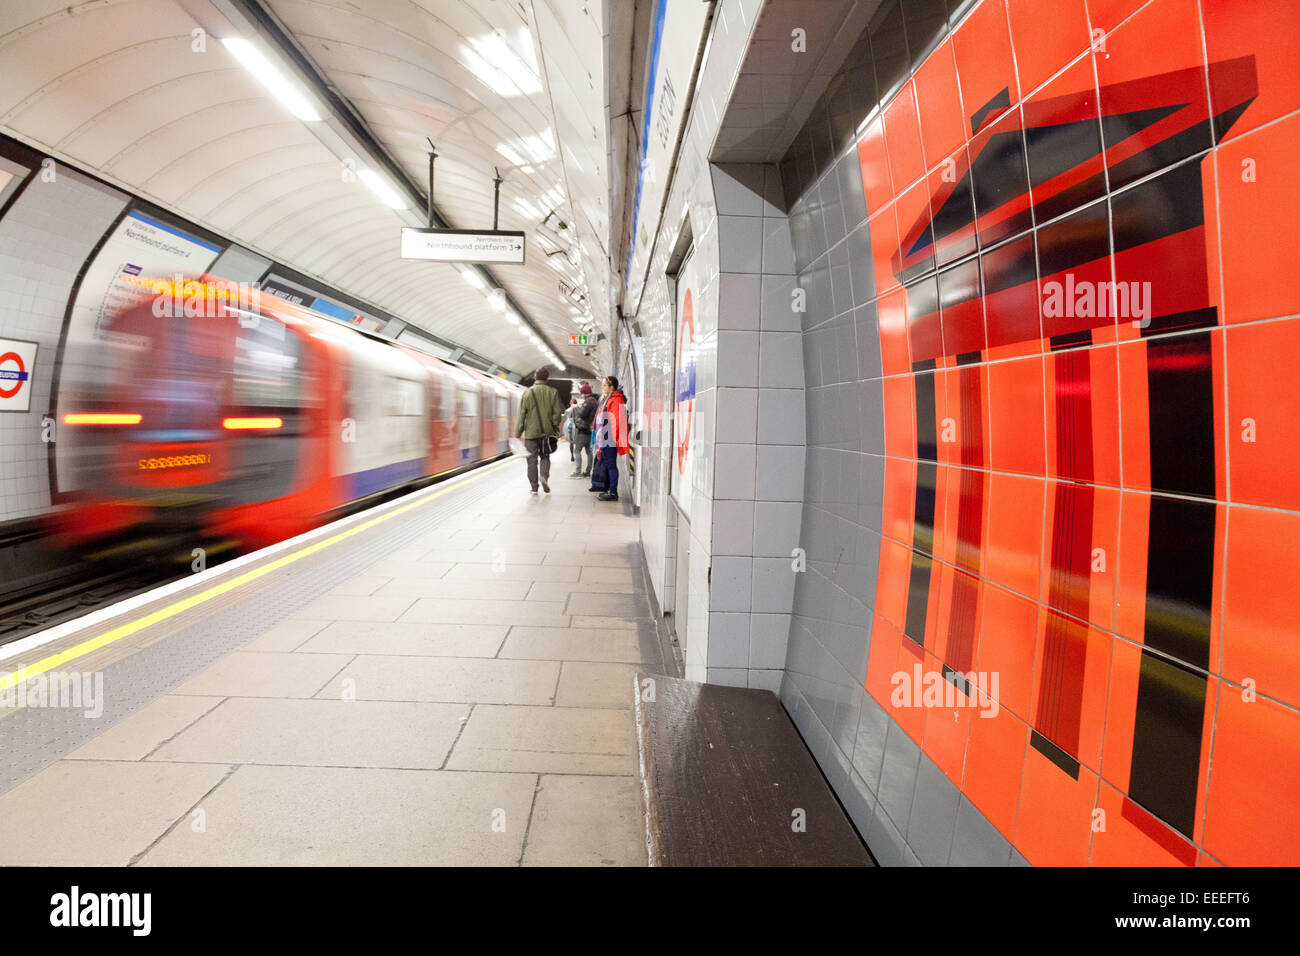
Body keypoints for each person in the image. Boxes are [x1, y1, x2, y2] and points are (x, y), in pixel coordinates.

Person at [515, 367, 563, 494]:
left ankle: (534, 487)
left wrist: (518, 433)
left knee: (531, 460)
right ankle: (544, 477)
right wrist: (552, 425)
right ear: (547, 378)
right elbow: (557, 414)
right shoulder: (553, 392)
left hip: (531, 433)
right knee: (545, 456)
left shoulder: (527, 393)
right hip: (547, 432)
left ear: (535, 377)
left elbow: (522, 415)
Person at [594, 375, 629, 502]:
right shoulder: (609, 398)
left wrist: (606, 434)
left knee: (611, 464)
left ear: (611, 386)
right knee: (608, 463)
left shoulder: (616, 399)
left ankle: (613, 492)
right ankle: (609, 488)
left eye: (604, 385)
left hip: (610, 436)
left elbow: (614, 420)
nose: (602, 387)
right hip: (606, 435)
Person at [570, 382, 598, 478]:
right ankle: (588, 471)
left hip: (583, 430)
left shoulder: (588, 402)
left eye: (581, 393)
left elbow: (582, 414)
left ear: (584, 393)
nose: (581, 394)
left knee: (577, 451)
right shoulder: (595, 401)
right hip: (591, 430)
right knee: (589, 451)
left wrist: (576, 407)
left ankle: (578, 472)